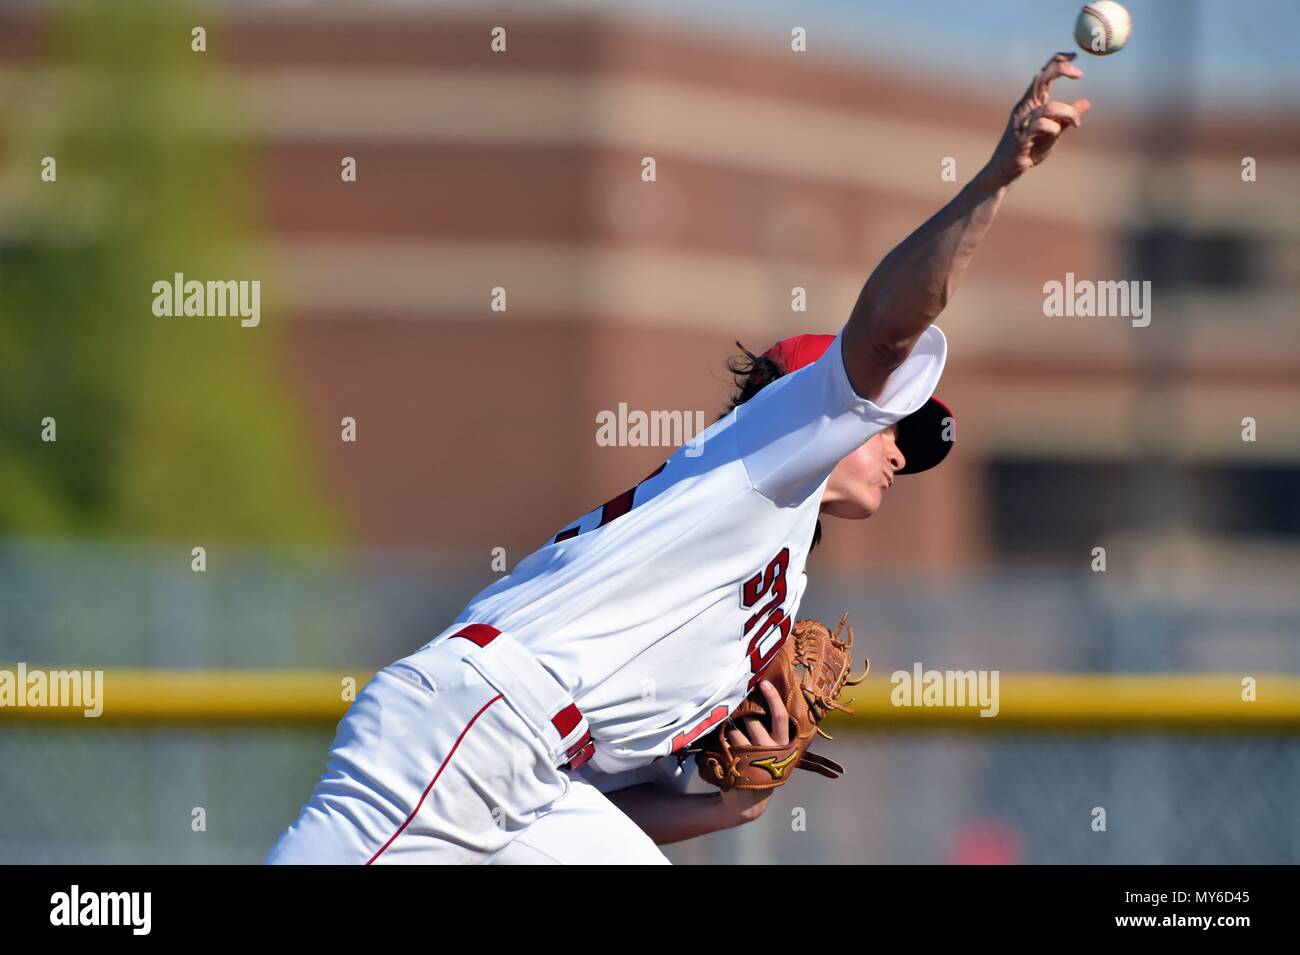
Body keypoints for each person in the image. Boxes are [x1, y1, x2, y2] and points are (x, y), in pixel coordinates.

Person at [266, 53, 1089, 864]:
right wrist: (992, 184)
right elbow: (883, 327)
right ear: (812, 403)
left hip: (537, 771)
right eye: (890, 425)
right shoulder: (766, 455)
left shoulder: (756, 583)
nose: (899, 452)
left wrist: (733, 804)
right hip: (468, 727)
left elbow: (600, 807)